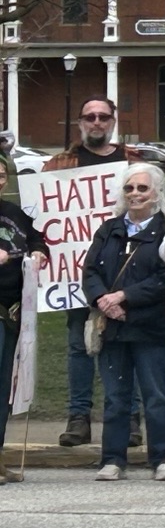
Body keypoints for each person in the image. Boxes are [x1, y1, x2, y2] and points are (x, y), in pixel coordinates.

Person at [46, 97, 136, 450]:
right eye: (89, 117)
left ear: (113, 121)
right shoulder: (59, 165)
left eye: (103, 116)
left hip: (125, 273)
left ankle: (129, 419)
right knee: (78, 347)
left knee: (130, 347)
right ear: (80, 123)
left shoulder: (133, 163)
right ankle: (78, 418)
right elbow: (45, 217)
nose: (96, 122)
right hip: (77, 275)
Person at [82, 163, 165, 482]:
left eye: (142, 188)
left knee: (156, 395)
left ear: (157, 193)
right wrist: (103, 301)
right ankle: (112, 459)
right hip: (113, 328)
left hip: (152, 328)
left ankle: (162, 458)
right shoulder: (109, 229)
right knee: (116, 397)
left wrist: (124, 296)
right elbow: (91, 271)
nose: (135, 194)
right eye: (129, 188)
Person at [0, 164, 48, 478]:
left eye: (1, 175)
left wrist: (40, 252)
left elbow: (35, 239)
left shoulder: (13, 212)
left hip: (12, 313)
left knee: (4, 389)